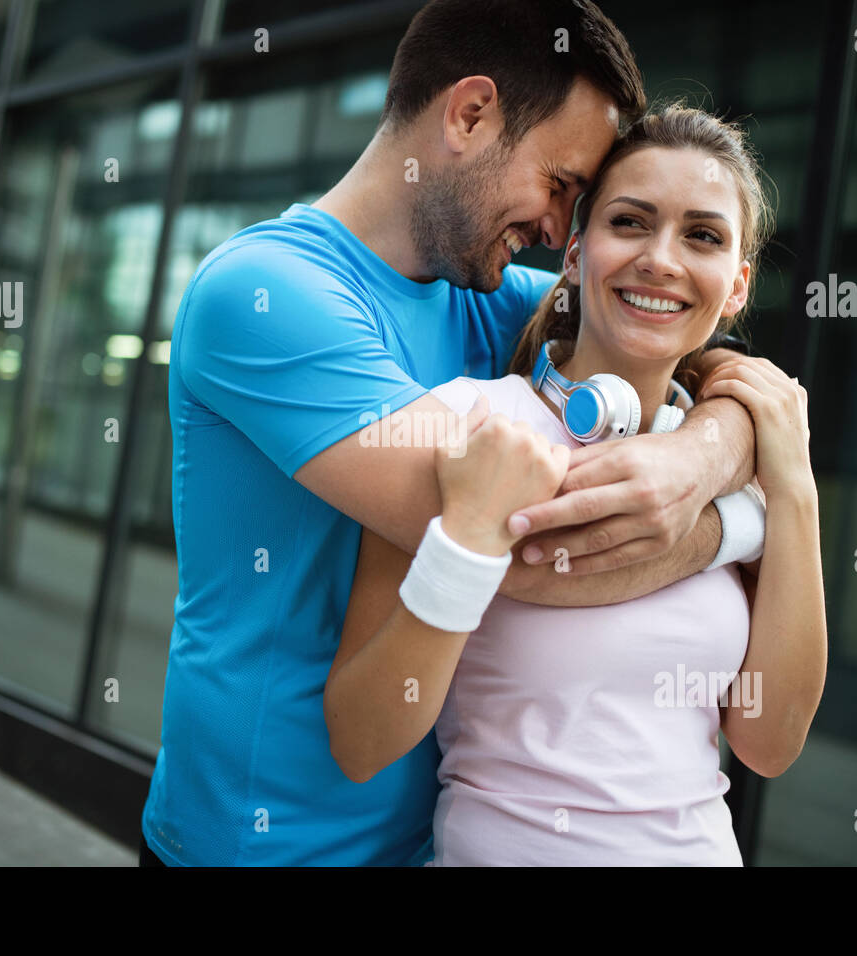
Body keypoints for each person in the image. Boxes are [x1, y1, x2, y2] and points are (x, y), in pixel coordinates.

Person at [141, 0, 764, 867]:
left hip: (426, 845)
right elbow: (523, 556)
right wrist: (740, 525)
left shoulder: (492, 294)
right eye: (560, 186)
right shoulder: (264, 296)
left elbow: (703, 362)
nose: (559, 231)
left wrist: (715, 448)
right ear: (469, 115)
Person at [325, 105, 828, 865]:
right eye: (630, 222)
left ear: (736, 288)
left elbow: (769, 742)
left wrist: (793, 493)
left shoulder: (746, 466)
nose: (662, 258)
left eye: (702, 235)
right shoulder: (466, 425)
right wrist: (466, 540)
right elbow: (362, 739)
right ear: (573, 253)